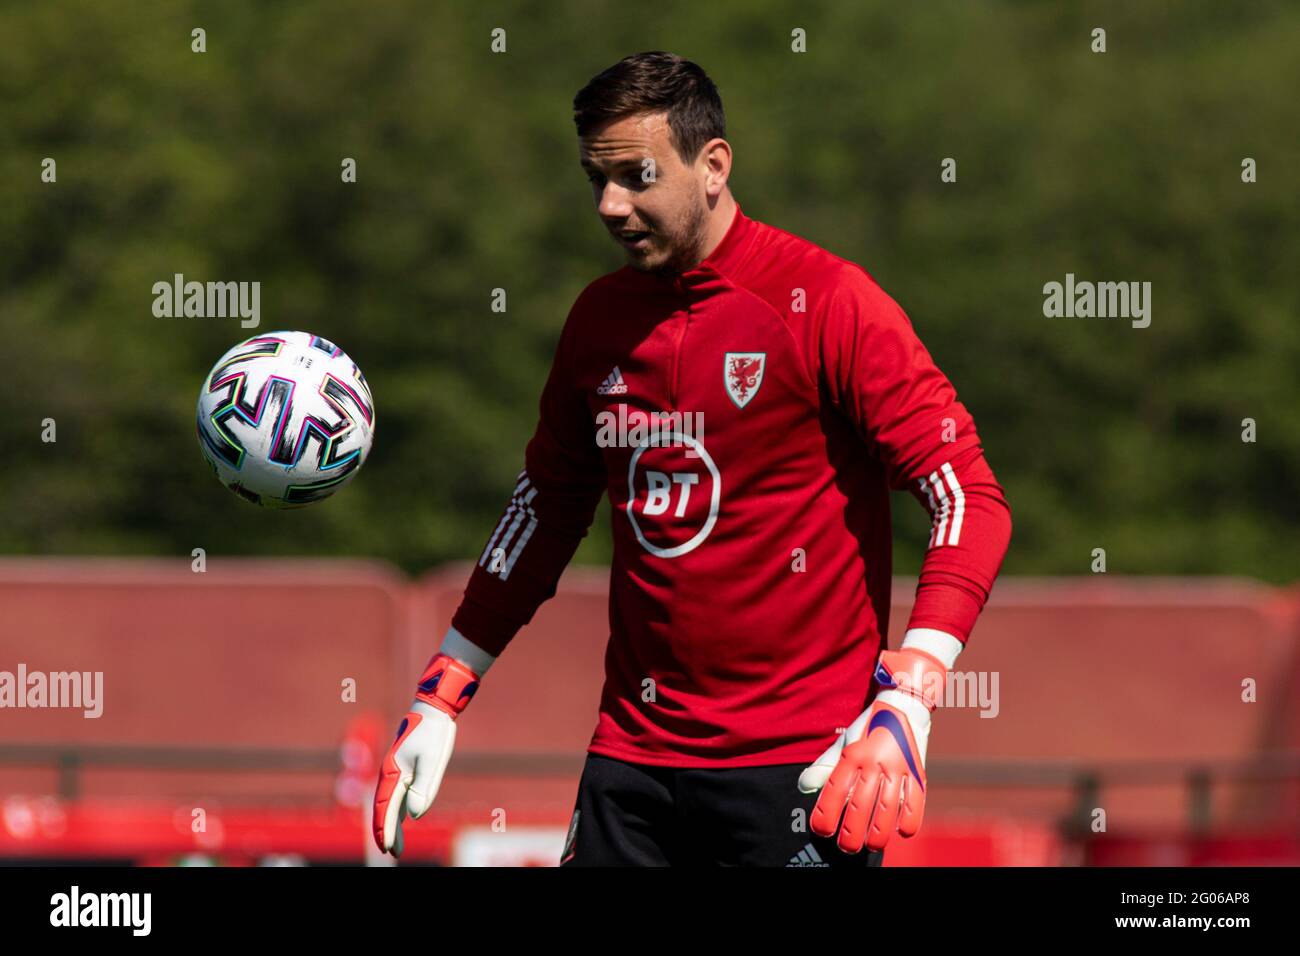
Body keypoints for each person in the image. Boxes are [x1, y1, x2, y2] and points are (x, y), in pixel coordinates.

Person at [374, 51, 1012, 867]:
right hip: (631, 767)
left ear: (713, 166)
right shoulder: (597, 321)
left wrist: (912, 696)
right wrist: (443, 692)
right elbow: (543, 510)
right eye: (595, 180)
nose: (610, 205)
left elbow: (971, 498)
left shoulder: (828, 302)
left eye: (637, 177)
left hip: (805, 770)